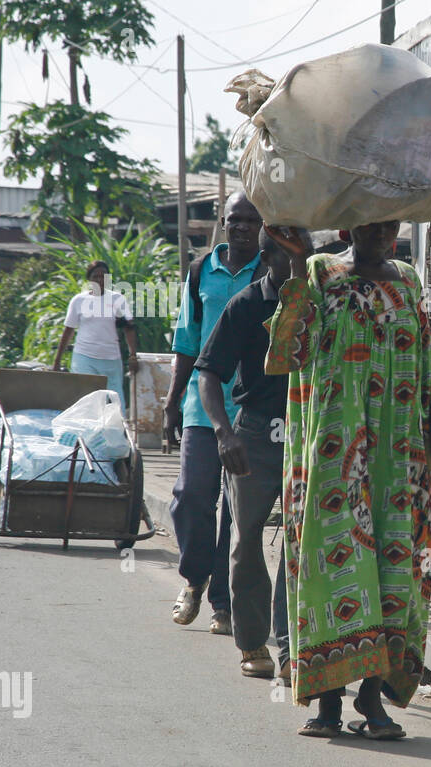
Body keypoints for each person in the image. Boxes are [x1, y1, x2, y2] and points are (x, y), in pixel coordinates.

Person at [264, 220, 431, 739]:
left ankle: (373, 701)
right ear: (351, 223)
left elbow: (426, 361)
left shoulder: (407, 279)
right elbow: (288, 349)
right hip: (333, 451)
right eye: (372, 223)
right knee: (334, 568)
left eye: (390, 222)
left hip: (399, 456)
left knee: (394, 574)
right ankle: (328, 702)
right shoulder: (320, 271)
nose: (384, 232)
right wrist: (298, 257)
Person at [196, 228, 307, 682]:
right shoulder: (244, 306)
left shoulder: (318, 305)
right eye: (290, 256)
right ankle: (252, 641)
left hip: (309, 435)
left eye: (306, 254)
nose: (301, 264)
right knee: (246, 541)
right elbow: (208, 373)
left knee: (303, 543)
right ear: (267, 258)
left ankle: (290, 646)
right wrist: (223, 433)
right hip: (255, 436)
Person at [163, 191, 264, 636]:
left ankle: (223, 604)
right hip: (202, 409)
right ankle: (194, 578)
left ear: (263, 226)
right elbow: (187, 343)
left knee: (236, 515)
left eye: (250, 220)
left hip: (252, 409)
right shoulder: (201, 270)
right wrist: (170, 402)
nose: (240, 227)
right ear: (222, 223)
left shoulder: (271, 272)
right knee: (191, 496)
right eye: (233, 219)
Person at [52, 260, 139, 407]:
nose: (99, 280)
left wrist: (133, 356)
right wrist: (57, 361)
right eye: (95, 276)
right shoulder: (79, 300)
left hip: (111, 358)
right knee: (85, 399)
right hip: (84, 356)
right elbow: (68, 331)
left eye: (103, 276)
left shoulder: (118, 299)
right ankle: (85, 430)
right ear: (89, 280)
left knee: (114, 400)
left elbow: (129, 328)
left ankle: (115, 429)